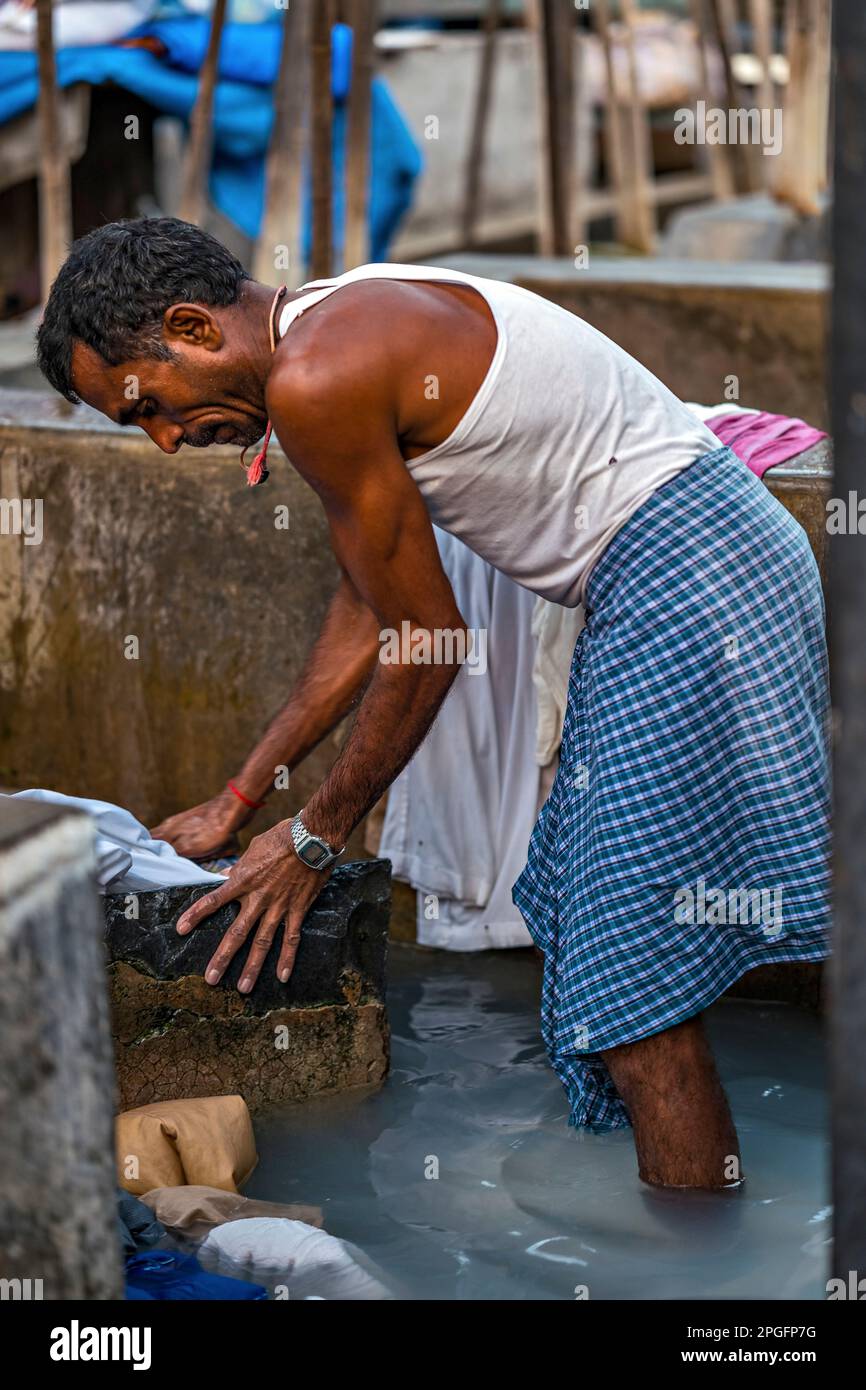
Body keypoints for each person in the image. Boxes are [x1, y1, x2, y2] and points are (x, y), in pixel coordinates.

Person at [37, 218, 830, 1189]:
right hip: (695, 565)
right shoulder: (332, 327)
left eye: (147, 406)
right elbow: (365, 614)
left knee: (630, 993)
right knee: (610, 950)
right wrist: (240, 800)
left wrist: (315, 837)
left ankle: (703, 1280)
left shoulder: (317, 379)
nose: (164, 443)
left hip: (685, 576)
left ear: (194, 328)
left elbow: (427, 643)